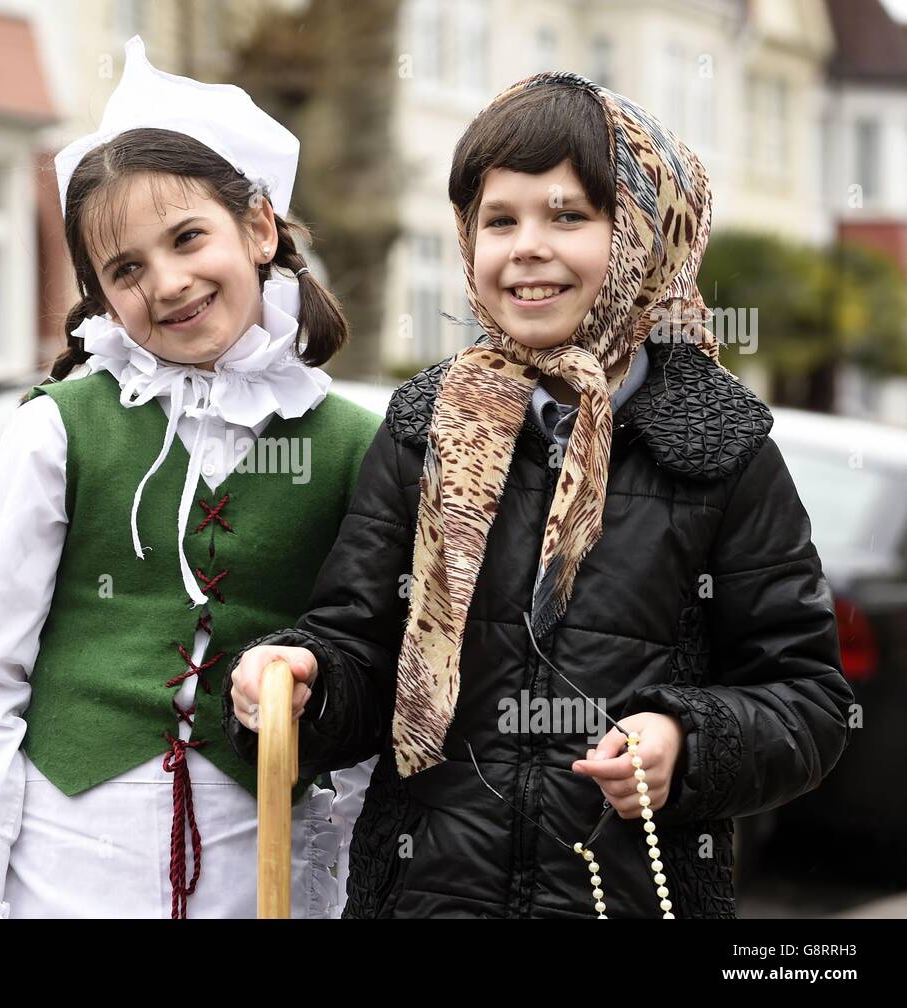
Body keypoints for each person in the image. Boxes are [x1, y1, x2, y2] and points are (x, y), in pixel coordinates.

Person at [223, 71, 854, 919]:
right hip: (425, 899)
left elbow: (809, 702)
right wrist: (307, 681)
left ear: (639, 233)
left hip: (628, 897)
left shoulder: (722, 449)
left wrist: (685, 741)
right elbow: (361, 647)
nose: (527, 245)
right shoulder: (426, 428)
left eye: (567, 216)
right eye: (500, 220)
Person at [0, 37, 380, 919]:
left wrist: (335, 879)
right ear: (98, 292)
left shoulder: (358, 446)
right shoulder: (57, 428)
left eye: (186, 238)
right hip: (62, 861)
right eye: (125, 269)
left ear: (258, 227)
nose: (166, 283)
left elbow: (367, 692)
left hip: (256, 862)